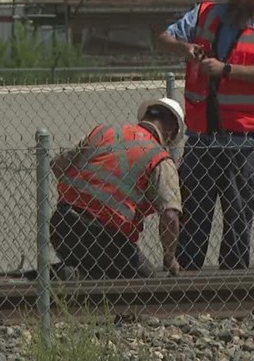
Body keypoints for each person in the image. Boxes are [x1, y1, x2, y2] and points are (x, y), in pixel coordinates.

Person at [156, 0, 254, 271]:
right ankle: (186, 280)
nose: (244, 2)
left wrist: (225, 70)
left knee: (239, 219)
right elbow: (164, 37)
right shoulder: (204, 15)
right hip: (203, 138)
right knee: (194, 213)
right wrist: (184, 48)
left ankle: (232, 286)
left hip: (246, 141)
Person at [49, 97, 186, 279]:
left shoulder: (102, 132)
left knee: (95, 272)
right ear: (170, 131)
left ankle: (63, 276)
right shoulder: (160, 158)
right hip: (106, 237)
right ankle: (72, 276)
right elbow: (169, 216)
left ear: (145, 115)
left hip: (62, 224)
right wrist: (169, 258)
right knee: (148, 286)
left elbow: (58, 166)